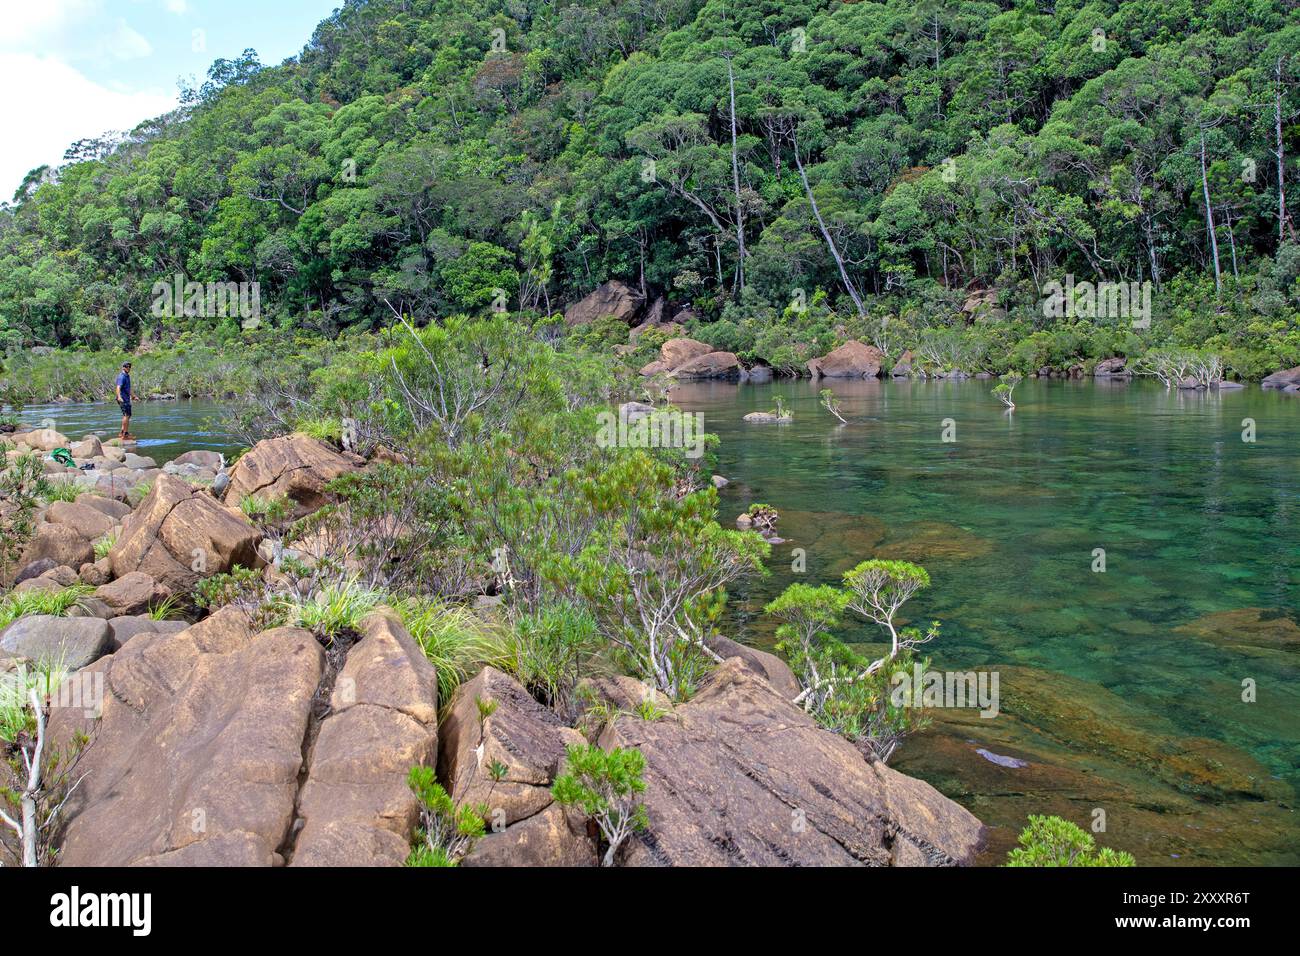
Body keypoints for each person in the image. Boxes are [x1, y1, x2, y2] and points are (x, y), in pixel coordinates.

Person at [115, 361, 134, 440]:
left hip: (126, 398)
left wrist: (133, 396)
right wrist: (119, 397)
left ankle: (122, 432)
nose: (128, 368)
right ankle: (125, 434)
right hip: (122, 399)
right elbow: (118, 387)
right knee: (126, 415)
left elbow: (128, 388)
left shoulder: (127, 376)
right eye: (127, 366)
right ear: (123, 367)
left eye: (129, 366)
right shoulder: (122, 376)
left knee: (128, 415)